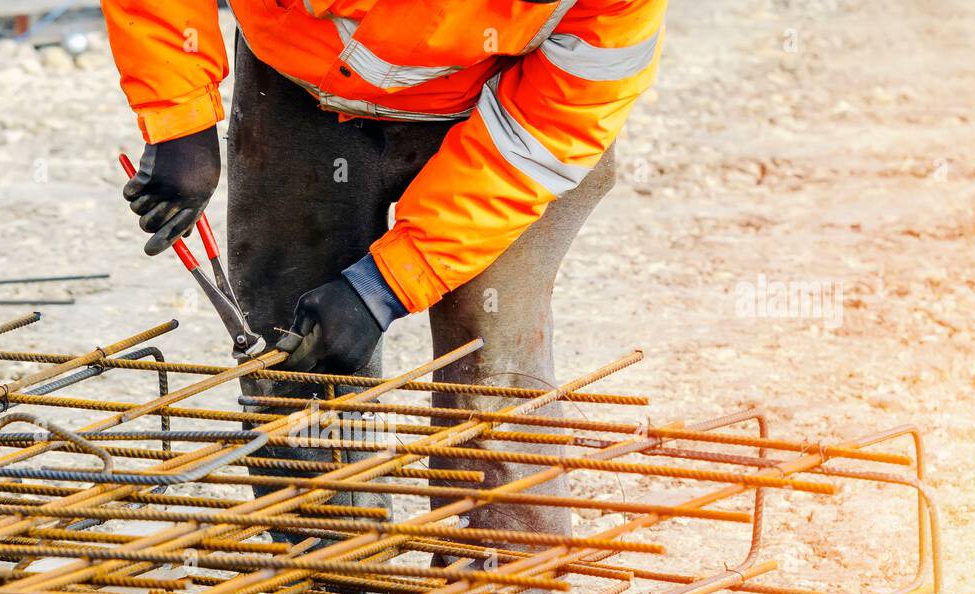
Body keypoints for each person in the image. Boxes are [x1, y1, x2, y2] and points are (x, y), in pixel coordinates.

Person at [103, 0, 666, 538]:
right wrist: (179, 114)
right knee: (297, 350)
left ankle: (504, 593)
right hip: (300, 81)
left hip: (517, 120)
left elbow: (551, 127)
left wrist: (382, 287)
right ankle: (332, 578)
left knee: (493, 358)